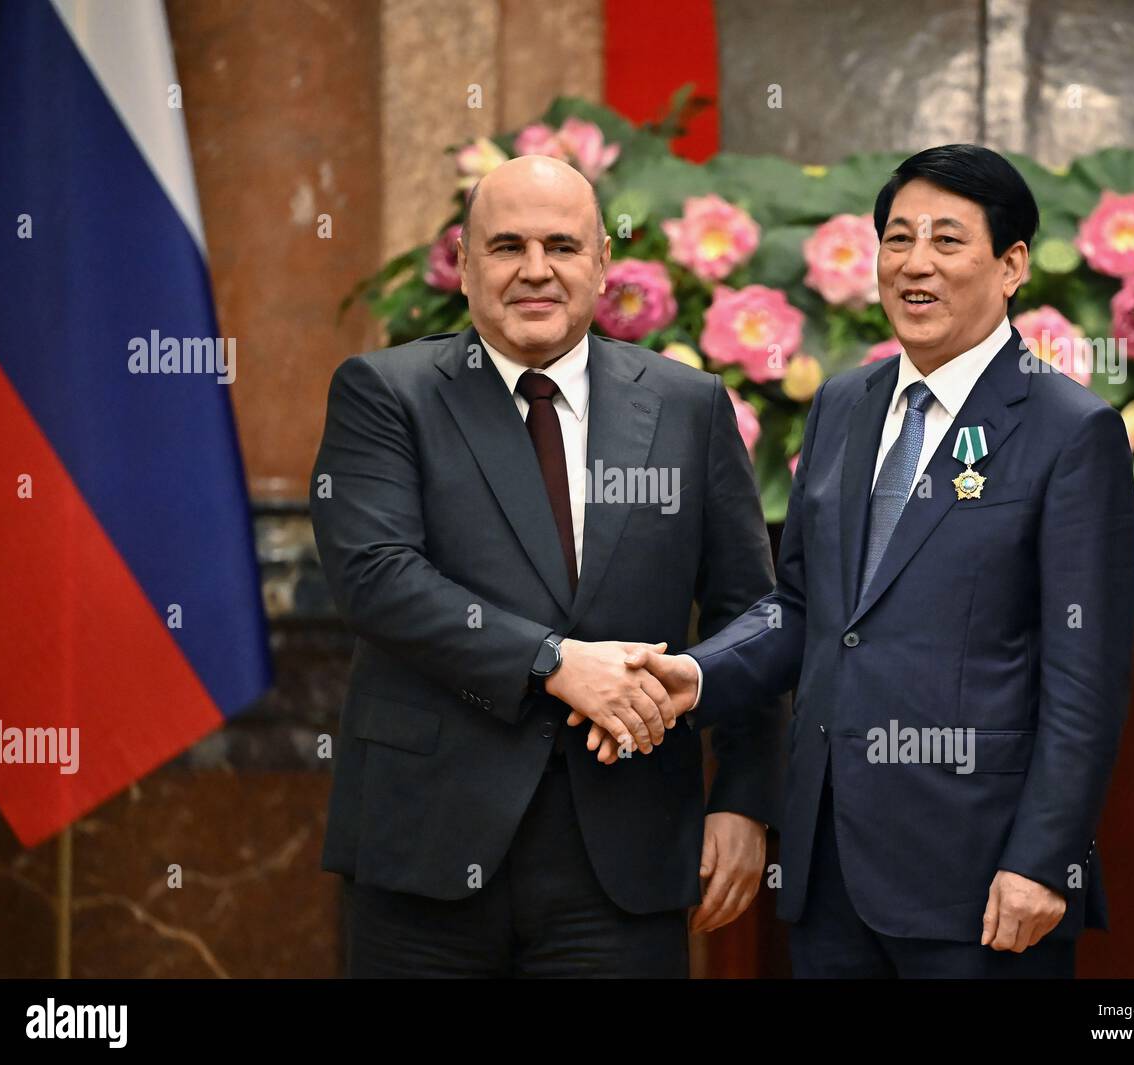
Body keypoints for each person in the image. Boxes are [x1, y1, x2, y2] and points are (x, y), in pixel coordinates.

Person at [615, 144, 1134, 978]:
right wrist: (700, 674)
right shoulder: (843, 405)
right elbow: (802, 607)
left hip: (982, 874)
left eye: (946, 240)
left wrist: (1044, 858)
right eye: (898, 239)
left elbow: (1088, 676)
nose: (914, 264)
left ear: (1011, 267)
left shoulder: (1068, 431)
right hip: (832, 867)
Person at [310, 154, 784, 978]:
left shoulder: (689, 406)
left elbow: (756, 617)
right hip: (426, 853)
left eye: (563, 246)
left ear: (603, 262)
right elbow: (375, 576)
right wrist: (554, 664)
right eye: (507, 247)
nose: (537, 270)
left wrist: (745, 799)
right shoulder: (388, 394)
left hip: (622, 861)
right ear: (464, 265)